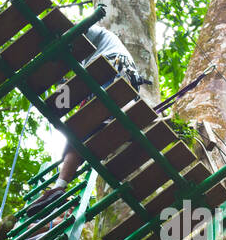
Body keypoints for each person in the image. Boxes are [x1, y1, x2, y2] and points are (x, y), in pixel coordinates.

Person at [25, 20, 150, 214]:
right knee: (79, 134)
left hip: (114, 68)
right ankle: (59, 185)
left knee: (89, 123)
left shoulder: (93, 32)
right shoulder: (84, 62)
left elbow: (75, 33)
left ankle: (131, 122)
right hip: (109, 81)